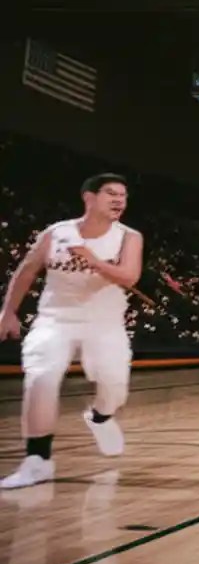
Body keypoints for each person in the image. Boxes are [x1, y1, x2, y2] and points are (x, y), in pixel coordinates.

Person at [0, 174, 143, 489]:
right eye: (111, 193)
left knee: (114, 385)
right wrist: (8, 312)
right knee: (41, 377)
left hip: (105, 322)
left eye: (123, 195)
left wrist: (91, 258)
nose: (119, 200)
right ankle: (37, 461)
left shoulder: (129, 237)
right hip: (56, 318)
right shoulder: (56, 233)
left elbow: (129, 276)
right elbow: (26, 270)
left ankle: (101, 417)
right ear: (89, 197)